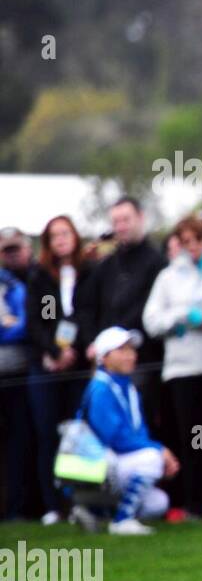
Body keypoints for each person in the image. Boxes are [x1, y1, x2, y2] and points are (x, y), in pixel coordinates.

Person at [142, 215, 202, 522]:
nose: (192, 247)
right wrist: (180, 317)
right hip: (182, 369)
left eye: (197, 240)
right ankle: (194, 500)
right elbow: (152, 320)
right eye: (186, 242)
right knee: (193, 435)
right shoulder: (168, 277)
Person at [26, 216, 97, 525]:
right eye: (54, 236)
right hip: (47, 364)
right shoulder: (40, 276)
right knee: (47, 433)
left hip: (78, 363)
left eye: (65, 233)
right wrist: (54, 351)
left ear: (75, 236)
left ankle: (77, 503)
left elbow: (89, 313)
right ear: (47, 242)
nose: (60, 240)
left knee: (77, 434)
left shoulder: (89, 273)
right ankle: (52, 505)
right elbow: (38, 320)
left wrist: (74, 350)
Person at [80, 327, 181, 535]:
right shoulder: (101, 388)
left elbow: (137, 433)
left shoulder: (128, 387)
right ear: (105, 357)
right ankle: (121, 520)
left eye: (131, 350)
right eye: (122, 350)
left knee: (158, 503)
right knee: (151, 458)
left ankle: (96, 511)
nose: (131, 356)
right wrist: (159, 451)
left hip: (115, 463)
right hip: (95, 465)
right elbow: (114, 437)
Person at [84, 197, 167, 426]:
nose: (121, 227)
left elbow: (149, 311)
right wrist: (93, 340)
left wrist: (118, 341)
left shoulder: (157, 263)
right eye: (116, 221)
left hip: (141, 360)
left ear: (141, 218)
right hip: (105, 362)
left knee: (136, 424)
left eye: (126, 220)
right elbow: (86, 305)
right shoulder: (106, 265)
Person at [0, 229, 33, 520]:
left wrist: (9, 327)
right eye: (5, 249)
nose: (11, 255)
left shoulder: (28, 282)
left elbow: (29, 324)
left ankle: (18, 508)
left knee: (20, 442)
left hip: (21, 374)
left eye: (16, 248)